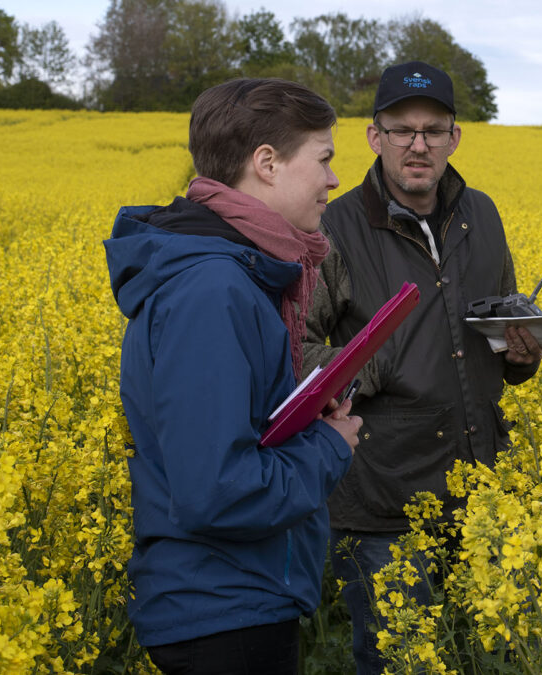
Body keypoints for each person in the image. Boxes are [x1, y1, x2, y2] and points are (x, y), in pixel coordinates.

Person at [104, 78, 362, 674]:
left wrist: (300, 416)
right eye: (323, 159)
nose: (333, 180)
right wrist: (328, 446)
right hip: (224, 610)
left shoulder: (232, 274)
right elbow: (217, 490)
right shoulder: (213, 289)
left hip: (233, 599)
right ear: (266, 164)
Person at [301, 61, 542, 674]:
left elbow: (497, 327)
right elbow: (293, 352)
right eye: (402, 130)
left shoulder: (481, 215)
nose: (418, 145)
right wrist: (379, 361)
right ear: (374, 137)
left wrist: (522, 355)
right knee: (396, 660)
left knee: (493, 657)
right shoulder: (333, 228)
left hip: (482, 487)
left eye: (433, 131)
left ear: (454, 138)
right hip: (383, 498)